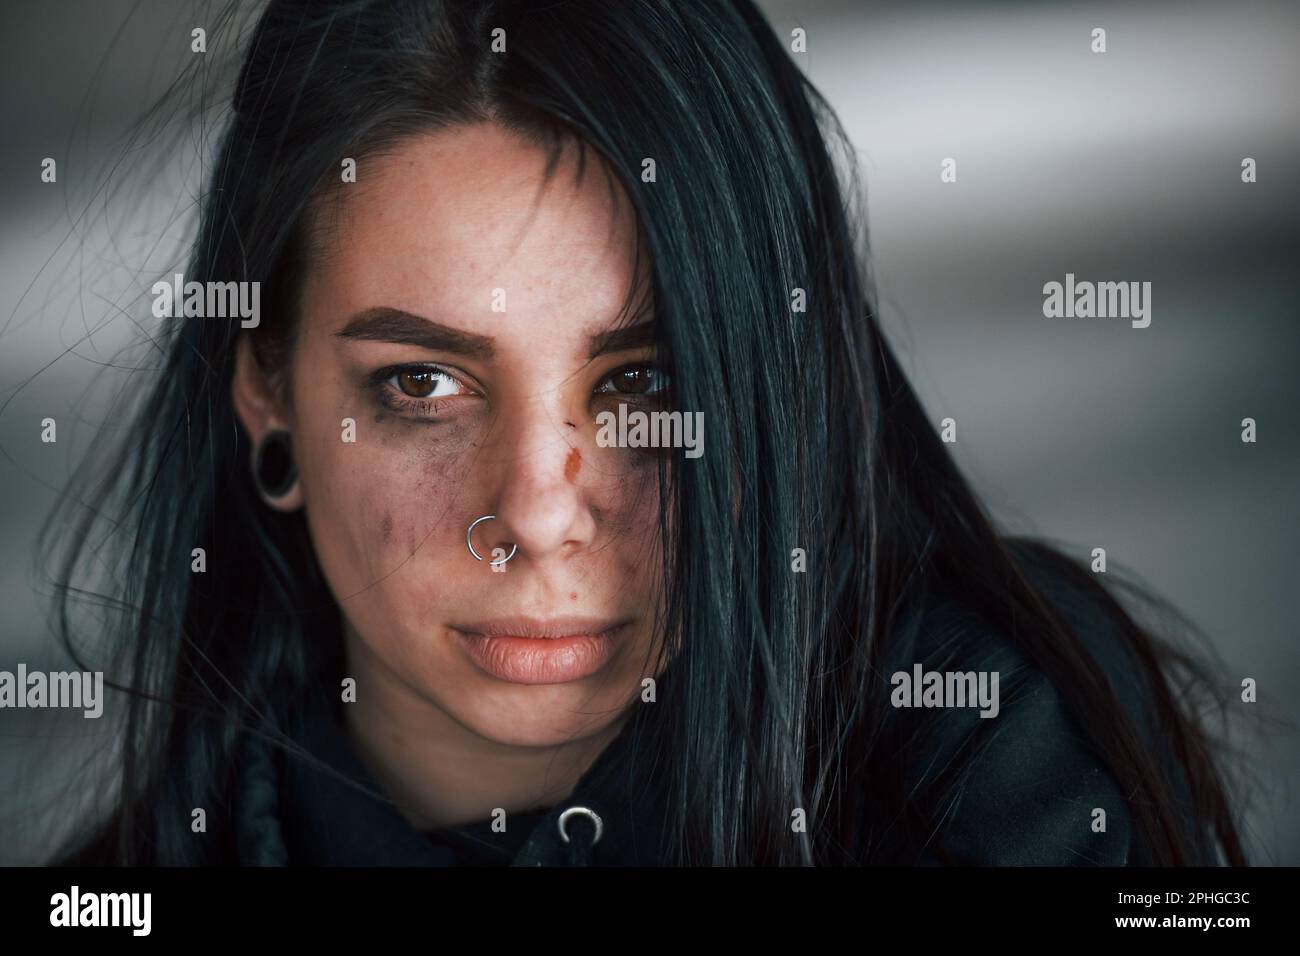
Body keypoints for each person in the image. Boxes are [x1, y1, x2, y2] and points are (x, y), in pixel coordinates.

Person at [41, 0, 1245, 866]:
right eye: (419, 383)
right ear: (266, 385)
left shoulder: (985, 761)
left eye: (644, 382)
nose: (540, 510)